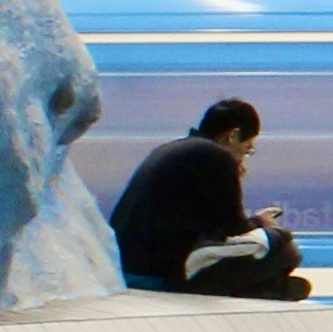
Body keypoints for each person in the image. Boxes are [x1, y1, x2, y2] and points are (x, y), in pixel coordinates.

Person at [109, 98, 309, 301]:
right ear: (233, 135)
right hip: (160, 276)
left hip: (126, 269)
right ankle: (270, 290)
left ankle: (268, 290)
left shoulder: (175, 149)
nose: (243, 157)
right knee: (286, 252)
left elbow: (211, 226)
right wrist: (264, 224)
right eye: (247, 148)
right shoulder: (217, 156)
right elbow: (235, 229)